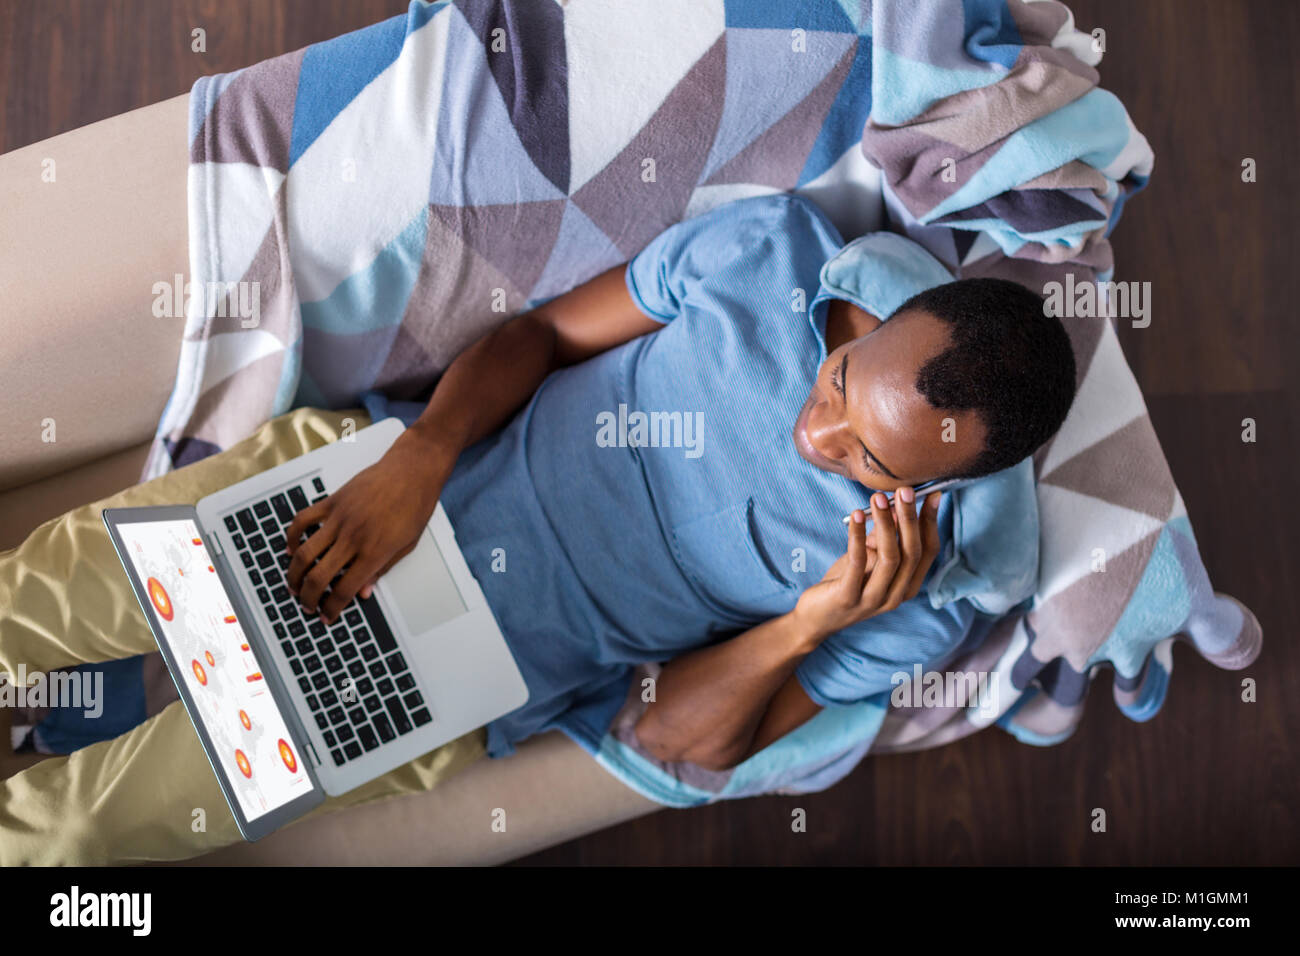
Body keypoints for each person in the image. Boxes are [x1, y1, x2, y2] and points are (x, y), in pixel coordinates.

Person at [0, 152, 1075, 862]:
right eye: (838, 380)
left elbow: (663, 734)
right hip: (381, 486)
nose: (816, 434)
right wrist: (420, 455)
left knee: (81, 829)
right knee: (35, 599)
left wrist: (809, 623)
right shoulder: (767, 256)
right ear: (885, 315)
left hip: (451, 679)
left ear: (936, 485)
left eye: (865, 460)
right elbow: (543, 337)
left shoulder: (932, 594)